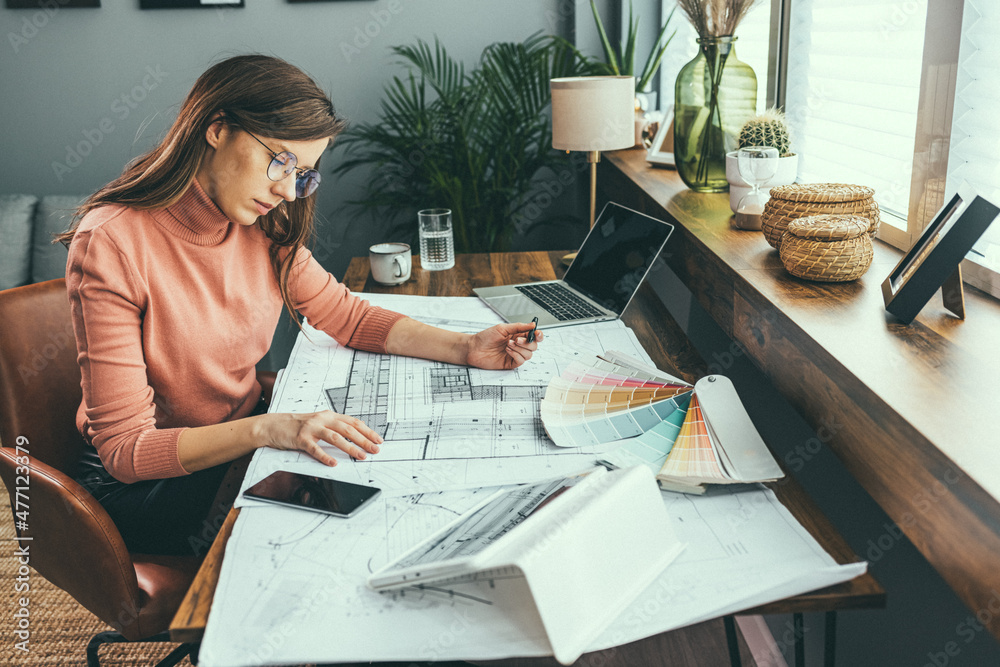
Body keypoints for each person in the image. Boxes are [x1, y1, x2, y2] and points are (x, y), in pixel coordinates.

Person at [59, 54, 543, 556]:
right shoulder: (111, 242)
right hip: (149, 485)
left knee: (384, 491)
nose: (288, 190)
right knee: (329, 535)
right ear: (217, 128)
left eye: (304, 175)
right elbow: (126, 452)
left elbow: (349, 317)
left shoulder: (262, 225)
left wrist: (466, 348)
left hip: (242, 434)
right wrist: (270, 429)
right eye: (281, 161)